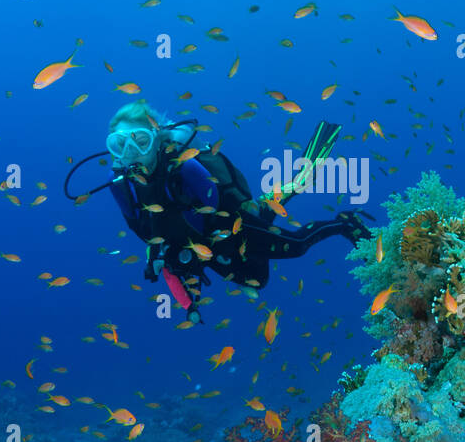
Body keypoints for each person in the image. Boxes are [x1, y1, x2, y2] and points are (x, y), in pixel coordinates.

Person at [91, 101, 371, 324]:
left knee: (296, 245)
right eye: (119, 143)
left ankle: (344, 222)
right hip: (206, 246)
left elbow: (216, 207)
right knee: (259, 280)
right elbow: (148, 235)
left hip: (233, 225)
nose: (130, 151)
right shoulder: (122, 189)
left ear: (156, 138)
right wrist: (186, 296)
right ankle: (275, 199)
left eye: (139, 140)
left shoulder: (185, 167)